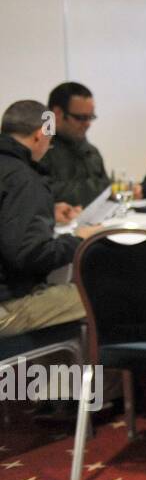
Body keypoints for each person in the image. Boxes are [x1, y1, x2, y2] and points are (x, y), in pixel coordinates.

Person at [0, 100, 101, 337]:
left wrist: (47, 212)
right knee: (99, 291)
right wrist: (78, 240)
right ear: (39, 136)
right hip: (6, 308)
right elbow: (30, 255)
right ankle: (101, 371)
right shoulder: (24, 179)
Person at [40, 81, 110, 208]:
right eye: (81, 118)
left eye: (91, 117)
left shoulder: (92, 152)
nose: (88, 123)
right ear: (57, 113)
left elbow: (107, 192)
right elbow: (43, 195)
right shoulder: (38, 152)